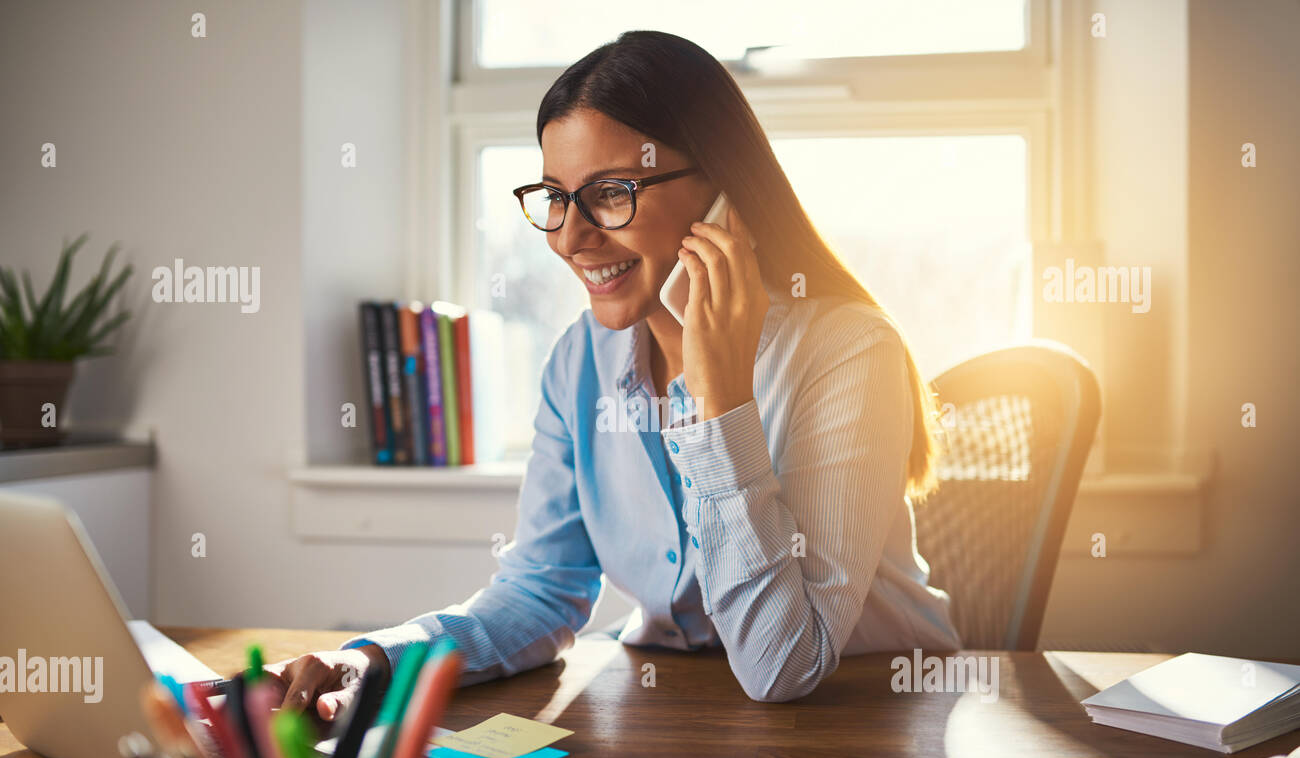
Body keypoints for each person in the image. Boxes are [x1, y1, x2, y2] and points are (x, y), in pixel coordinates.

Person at [266, 30, 960, 713]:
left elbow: (783, 664)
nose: (570, 237)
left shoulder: (846, 351)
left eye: (610, 193)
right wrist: (373, 659)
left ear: (722, 189)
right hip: (684, 716)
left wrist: (720, 404)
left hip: (873, 720)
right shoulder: (580, 360)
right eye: (556, 197)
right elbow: (540, 590)